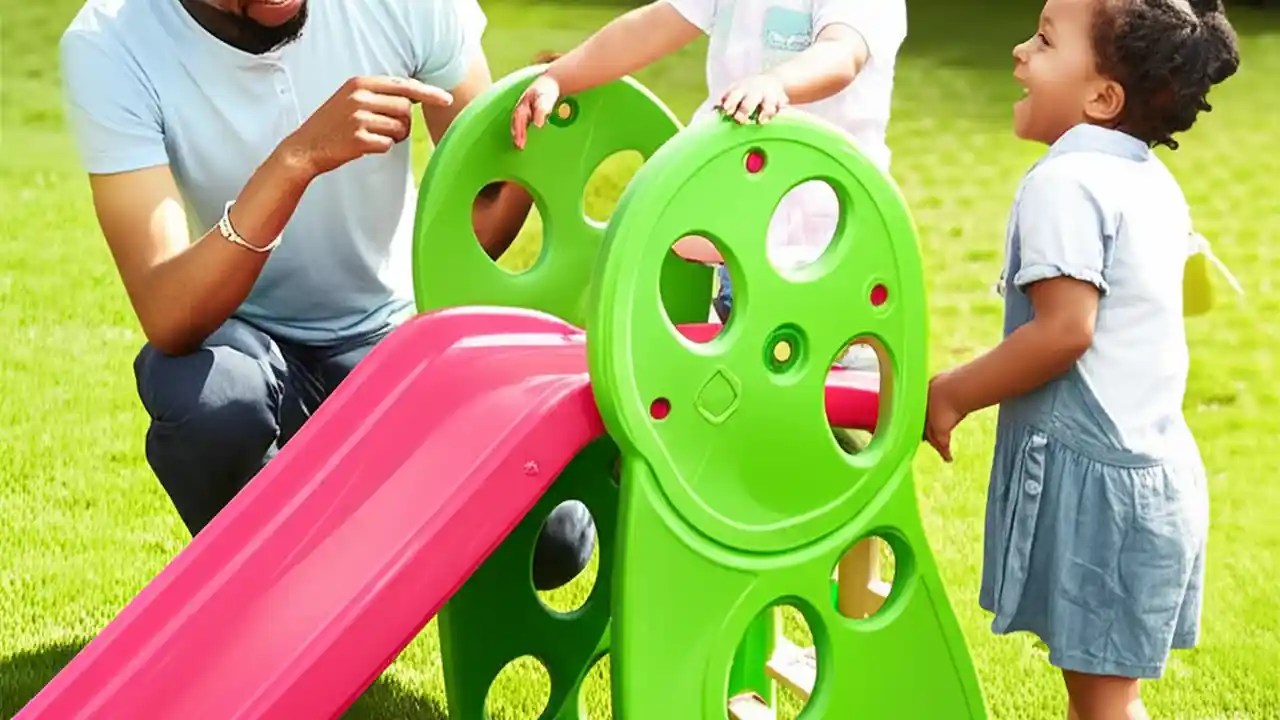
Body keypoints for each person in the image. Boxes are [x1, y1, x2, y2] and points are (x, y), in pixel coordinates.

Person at [58, 0, 597, 591]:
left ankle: (366, 550)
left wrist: (539, 138)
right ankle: (281, 605)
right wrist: (297, 160)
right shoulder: (113, 41)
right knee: (207, 401)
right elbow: (167, 310)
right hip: (252, 351)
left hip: (397, 341)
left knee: (557, 542)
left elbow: (482, 219)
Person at [923, 0, 1238, 715]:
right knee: (1103, 696)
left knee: (1103, 704)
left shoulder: (1065, 183)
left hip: (1105, 490)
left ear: (1102, 97)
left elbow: (1066, 331)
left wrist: (954, 392)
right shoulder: (1145, 177)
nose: (1017, 52)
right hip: (1151, 469)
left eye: (1043, 40)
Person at [509, 0, 905, 373]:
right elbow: (650, 27)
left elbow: (842, 52)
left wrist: (776, 83)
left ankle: (850, 358)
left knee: (808, 366)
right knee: (746, 360)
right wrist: (561, 78)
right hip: (749, 211)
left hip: (830, 230)